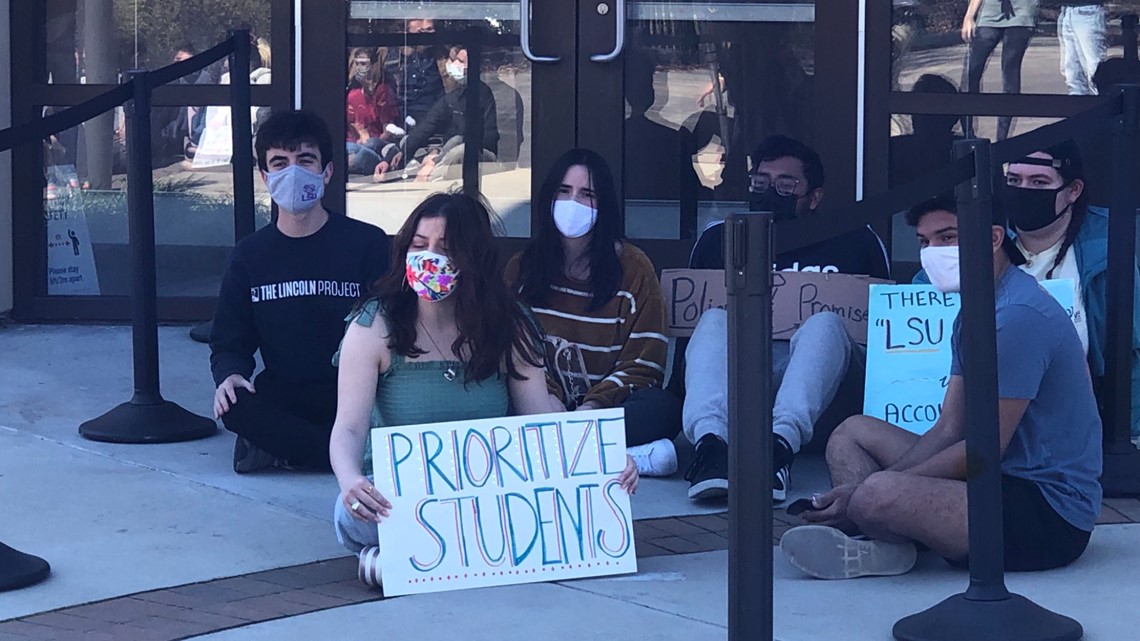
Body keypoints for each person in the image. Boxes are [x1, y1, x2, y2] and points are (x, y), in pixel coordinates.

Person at [780, 198, 1102, 579]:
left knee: (874, 495)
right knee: (852, 434)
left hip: (1046, 509)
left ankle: (875, 527)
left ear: (994, 238)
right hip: (994, 478)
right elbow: (950, 426)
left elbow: (983, 450)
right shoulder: (977, 309)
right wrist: (879, 483)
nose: (933, 252)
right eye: (924, 241)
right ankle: (885, 542)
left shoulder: (1019, 318)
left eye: (947, 237)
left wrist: (874, 488)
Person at [329, 192, 638, 585]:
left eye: (445, 248)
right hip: (400, 497)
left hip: (485, 499)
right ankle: (422, 550)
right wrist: (351, 480)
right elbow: (349, 428)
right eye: (419, 246)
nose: (428, 258)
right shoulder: (372, 327)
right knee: (351, 514)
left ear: (472, 258)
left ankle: (403, 558)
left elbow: (540, 418)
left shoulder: (509, 324)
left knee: (531, 514)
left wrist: (601, 459)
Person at [683, 136, 890, 503]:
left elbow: (882, 332)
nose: (771, 191)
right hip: (743, 392)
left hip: (828, 394)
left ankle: (777, 450)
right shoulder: (718, 239)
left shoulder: (856, 240)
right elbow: (691, 334)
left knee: (824, 324)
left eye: (786, 184)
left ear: (815, 197)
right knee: (713, 319)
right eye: (762, 182)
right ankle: (712, 448)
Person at [209, 110, 391, 474]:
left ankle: (286, 451)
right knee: (234, 405)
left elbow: (396, 322)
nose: (292, 172)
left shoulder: (367, 243)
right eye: (279, 162)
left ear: (327, 172)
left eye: (305, 160)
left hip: (356, 391)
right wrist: (229, 374)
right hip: (285, 391)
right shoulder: (249, 255)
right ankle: (346, 455)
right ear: (264, 176)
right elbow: (230, 340)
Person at [507, 149, 683, 478]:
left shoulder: (634, 269)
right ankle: (615, 457)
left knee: (664, 409)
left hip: (608, 409)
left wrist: (593, 408)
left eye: (587, 194)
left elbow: (645, 363)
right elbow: (512, 351)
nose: (573, 203)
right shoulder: (522, 268)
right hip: (541, 406)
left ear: (605, 205)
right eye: (564, 191)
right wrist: (548, 399)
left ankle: (563, 449)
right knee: (500, 399)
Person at [1000, 142, 1140, 438]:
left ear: (1073, 190)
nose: (1024, 190)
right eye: (1014, 180)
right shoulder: (986, 240)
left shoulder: (1123, 240)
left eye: (1039, 182)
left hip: (1113, 429)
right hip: (1009, 428)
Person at [398, 46, 499, 182]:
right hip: (447, 152)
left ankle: (428, 175)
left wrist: (436, 158)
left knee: (460, 147)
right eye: (455, 60)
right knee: (408, 142)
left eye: (461, 61)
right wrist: (402, 153)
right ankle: (417, 168)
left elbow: (486, 138)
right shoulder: (453, 97)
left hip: (480, 153)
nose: (455, 64)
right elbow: (428, 124)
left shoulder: (483, 95)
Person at [961, 0, 1039, 140]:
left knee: (1010, 74)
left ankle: (1001, 142)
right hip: (989, 14)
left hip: (1021, 15)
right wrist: (969, 16)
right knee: (971, 73)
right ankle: (967, 136)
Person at [344, 48, 400, 176]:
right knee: (347, 147)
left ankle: (349, 165)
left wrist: (368, 139)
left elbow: (388, 130)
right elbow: (352, 124)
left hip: (380, 144)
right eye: (357, 64)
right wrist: (360, 134)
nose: (360, 68)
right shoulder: (353, 95)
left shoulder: (383, 91)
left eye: (364, 64)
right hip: (357, 144)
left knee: (370, 145)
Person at [1057, 1, 1106, 96]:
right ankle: (1077, 103)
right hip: (1068, 10)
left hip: (1087, 9)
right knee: (1071, 69)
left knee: (1094, 68)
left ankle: (1103, 102)